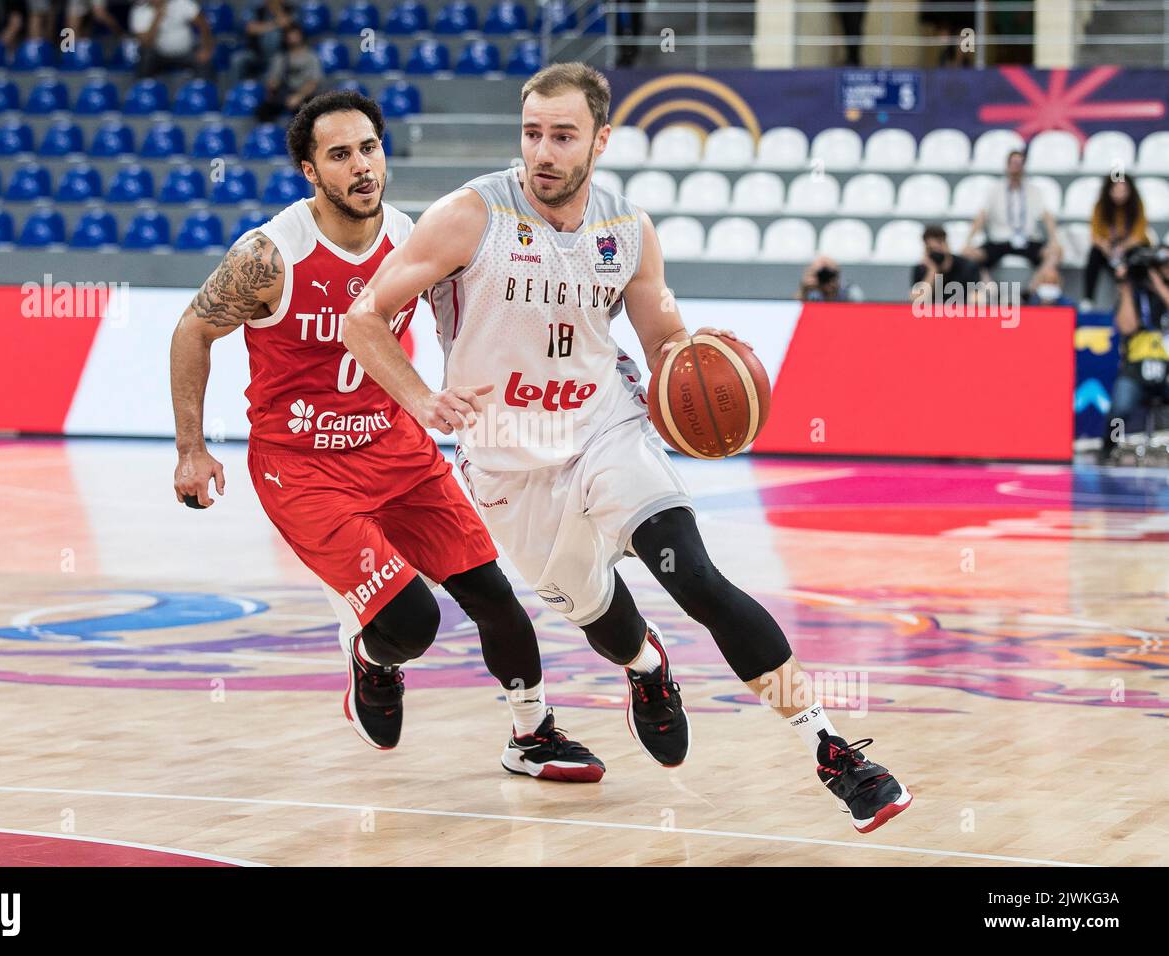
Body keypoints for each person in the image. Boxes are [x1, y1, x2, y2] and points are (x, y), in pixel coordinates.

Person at [344, 63, 912, 834]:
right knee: (600, 616)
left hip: (606, 432)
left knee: (698, 578)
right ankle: (648, 670)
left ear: (601, 140)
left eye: (564, 136)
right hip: (510, 466)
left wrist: (697, 376)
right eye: (532, 133)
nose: (543, 151)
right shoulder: (467, 216)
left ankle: (835, 752)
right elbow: (364, 317)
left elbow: (663, 345)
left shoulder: (628, 232)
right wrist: (421, 398)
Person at [169, 91, 603, 781]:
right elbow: (193, 328)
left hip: (397, 449)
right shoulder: (270, 254)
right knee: (412, 623)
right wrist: (192, 449)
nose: (361, 166)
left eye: (369, 148)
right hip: (303, 466)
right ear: (311, 173)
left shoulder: (412, 237)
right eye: (339, 155)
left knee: (496, 597)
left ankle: (532, 735)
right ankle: (371, 661)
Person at [1100, 243, 1169, 463]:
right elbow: (1127, 327)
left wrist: (1157, 282)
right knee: (1120, 408)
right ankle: (1110, 446)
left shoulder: (1163, 292)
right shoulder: (1132, 295)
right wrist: (1125, 287)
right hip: (1135, 369)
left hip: (1166, 368)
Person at [963, 149, 1061, 284]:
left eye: (1019, 163)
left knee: (1054, 254)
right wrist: (968, 241)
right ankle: (989, 288)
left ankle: (1030, 291)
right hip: (1000, 240)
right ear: (1007, 165)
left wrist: (1054, 240)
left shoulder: (1034, 190)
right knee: (968, 255)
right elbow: (982, 215)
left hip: (1027, 240)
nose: (1016, 167)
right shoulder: (995, 189)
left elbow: (1046, 215)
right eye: (1013, 163)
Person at [1083, 176, 1150, 311]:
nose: (1120, 194)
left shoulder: (1137, 205)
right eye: (1116, 190)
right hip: (1108, 248)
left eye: (1123, 190)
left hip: (1131, 247)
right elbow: (1095, 234)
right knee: (1094, 255)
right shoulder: (1100, 206)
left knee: (1138, 258)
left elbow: (1139, 234)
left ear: (1130, 191)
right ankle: (1088, 299)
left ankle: (1138, 300)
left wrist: (1123, 248)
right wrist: (1106, 247)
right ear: (1109, 190)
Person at [130, 0, 214, 80]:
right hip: (159, 56)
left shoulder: (181, 3)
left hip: (185, 52)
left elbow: (204, 25)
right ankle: (143, 91)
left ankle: (205, 91)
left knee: (204, 63)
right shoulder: (140, 10)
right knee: (145, 56)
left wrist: (206, 49)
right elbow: (146, 43)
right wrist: (157, 18)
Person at [254, 25, 321, 123]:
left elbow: (314, 82)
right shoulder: (280, 58)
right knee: (263, 110)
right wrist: (272, 85)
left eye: (295, 35)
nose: (292, 38)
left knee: (306, 113)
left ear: (301, 36)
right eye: (289, 36)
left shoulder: (311, 57)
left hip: (304, 95)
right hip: (284, 93)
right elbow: (273, 80)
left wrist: (299, 96)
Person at [911, 224, 983, 305]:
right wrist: (932, 271)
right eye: (931, 249)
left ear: (946, 245)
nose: (936, 253)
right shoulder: (922, 268)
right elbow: (916, 299)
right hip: (932, 314)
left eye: (938, 248)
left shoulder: (967, 266)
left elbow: (976, 298)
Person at [229, 0, 295, 84]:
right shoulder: (257, 8)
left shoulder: (289, 8)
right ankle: (237, 93)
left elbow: (289, 25)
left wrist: (277, 10)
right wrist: (274, 24)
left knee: (277, 62)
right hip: (256, 53)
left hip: (281, 53)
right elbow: (250, 28)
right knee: (237, 59)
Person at [797, 254, 862, 301]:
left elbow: (859, 311)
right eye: (820, 274)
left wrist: (833, 293)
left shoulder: (850, 291)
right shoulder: (812, 291)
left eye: (829, 273)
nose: (825, 277)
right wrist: (803, 290)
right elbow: (795, 309)